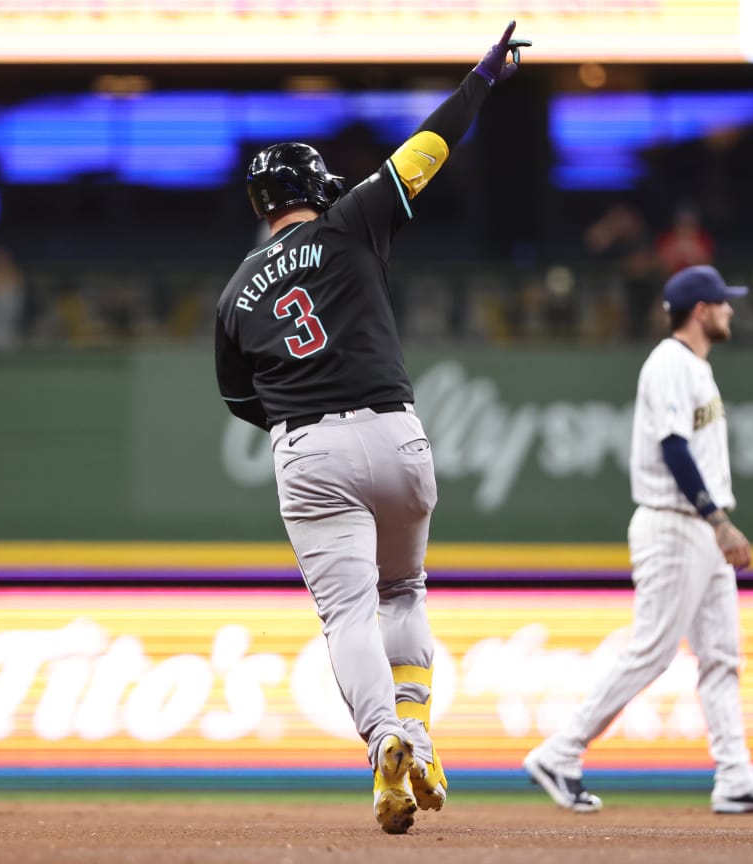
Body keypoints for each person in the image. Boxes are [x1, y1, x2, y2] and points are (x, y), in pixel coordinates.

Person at [212, 22, 530, 835]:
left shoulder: (236, 294)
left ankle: (384, 738)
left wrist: (291, 418)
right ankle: (417, 733)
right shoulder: (350, 222)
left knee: (349, 616)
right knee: (405, 591)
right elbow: (429, 148)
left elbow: (237, 397)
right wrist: (481, 82)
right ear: (314, 189)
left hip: (308, 449)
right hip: (396, 434)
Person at [523, 264, 753, 816]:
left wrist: (714, 522)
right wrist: (718, 520)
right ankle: (560, 753)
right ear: (701, 311)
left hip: (698, 526)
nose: (730, 310)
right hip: (675, 522)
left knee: (722, 656)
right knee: (652, 651)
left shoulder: (695, 368)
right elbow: (674, 447)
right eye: (723, 303)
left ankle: (736, 777)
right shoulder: (670, 363)